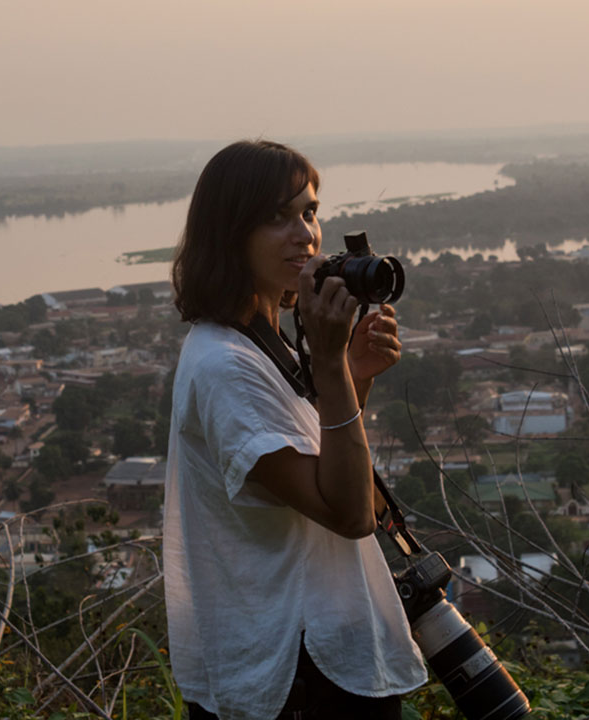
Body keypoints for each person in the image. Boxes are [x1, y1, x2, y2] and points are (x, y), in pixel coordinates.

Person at [164, 140, 427, 720]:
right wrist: (331, 366)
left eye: (309, 212)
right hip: (293, 676)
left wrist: (353, 377)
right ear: (229, 232)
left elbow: (329, 470)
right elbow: (350, 514)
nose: (305, 235)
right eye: (276, 217)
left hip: (320, 660)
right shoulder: (225, 366)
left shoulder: (264, 341)